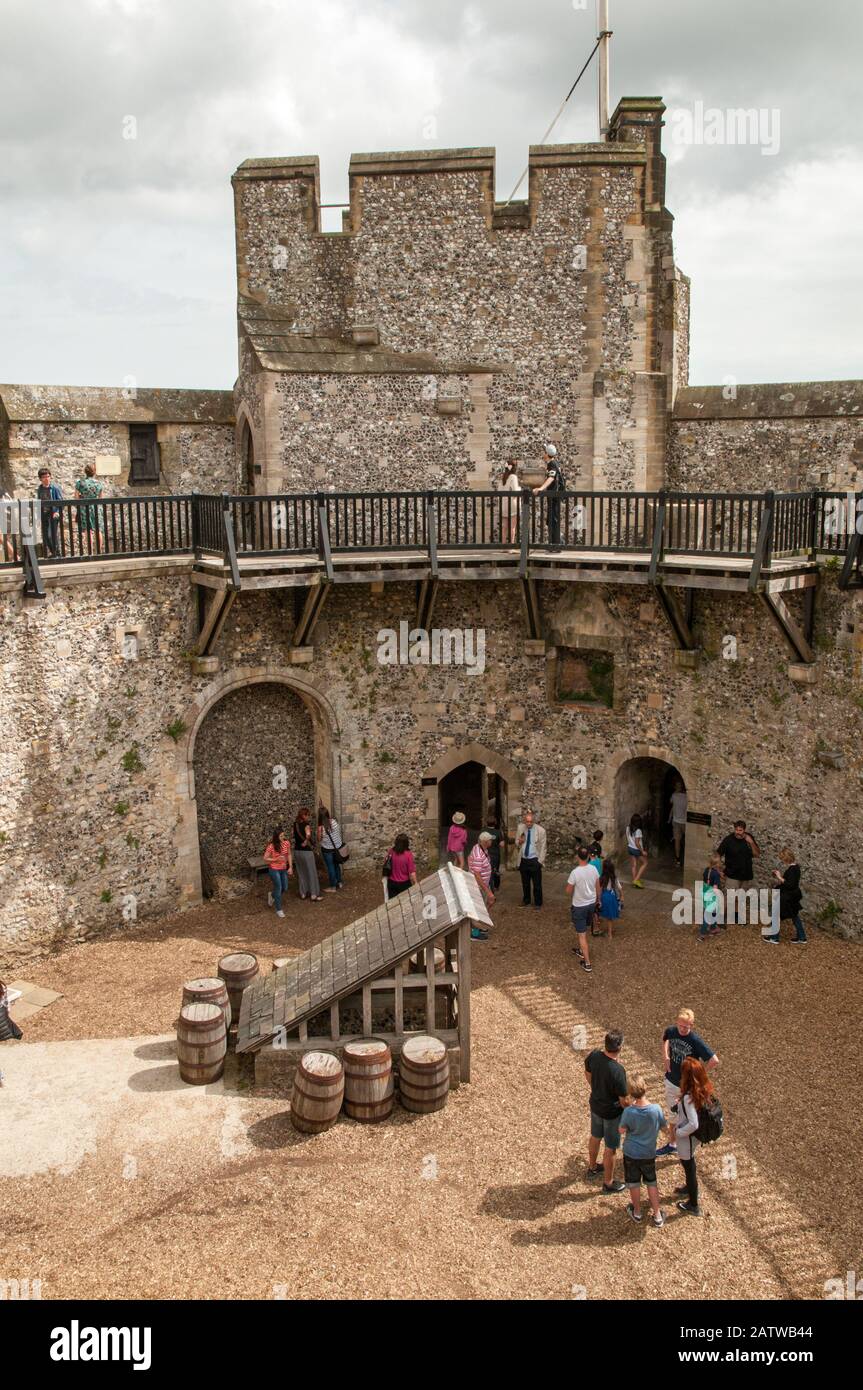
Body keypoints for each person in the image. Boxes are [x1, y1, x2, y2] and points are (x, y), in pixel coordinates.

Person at [657, 1008, 719, 1156]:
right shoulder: (672, 1031)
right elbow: (665, 1039)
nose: (683, 1029)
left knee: (690, 1118)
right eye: (680, 1025)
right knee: (673, 1115)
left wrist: (698, 1075)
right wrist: (665, 1056)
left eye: (686, 1026)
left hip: (687, 1087)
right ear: (677, 1022)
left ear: (692, 1024)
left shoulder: (695, 1041)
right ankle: (673, 1144)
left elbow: (714, 1060)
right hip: (672, 1081)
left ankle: (688, 1145)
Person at [619, 1076, 667, 1228]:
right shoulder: (656, 1109)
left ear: (631, 1092)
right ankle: (658, 1214)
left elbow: (621, 1130)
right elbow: (665, 1128)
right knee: (651, 1182)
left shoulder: (629, 1112)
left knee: (634, 1183)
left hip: (631, 1152)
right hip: (648, 1152)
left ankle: (637, 1212)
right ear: (646, 1088)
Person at [584, 1030, 628, 1193]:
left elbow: (587, 1073)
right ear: (620, 1047)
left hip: (596, 1105)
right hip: (612, 1113)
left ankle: (593, 1167)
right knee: (611, 1147)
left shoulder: (594, 1056)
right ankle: (608, 1183)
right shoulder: (618, 1070)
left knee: (595, 1136)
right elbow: (623, 1100)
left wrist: (596, 1088)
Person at [673, 1057, 715, 1216]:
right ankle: (689, 1187)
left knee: (689, 1166)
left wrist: (678, 1132)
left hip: (687, 1138)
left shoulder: (688, 1098)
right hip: (694, 1138)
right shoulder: (702, 1089)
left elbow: (693, 1124)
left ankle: (693, 1203)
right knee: (689, 1164)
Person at [717, 820, 760, 923]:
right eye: (736, 830)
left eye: (740, 830)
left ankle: (736, 916)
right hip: (732, 875)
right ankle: (720, 918)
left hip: (746, 875)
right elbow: (718, 854)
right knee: (728, 897)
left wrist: (751, 842)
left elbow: (757, 854)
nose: (738, 832)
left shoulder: (749, 838)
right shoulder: (728, 840)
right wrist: (718, 870)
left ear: (744, 830)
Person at [566, 845, 600, 973]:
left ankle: (587, 963)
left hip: (579, 906)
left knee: (582, 935)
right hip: (591, 904)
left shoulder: (575, 873)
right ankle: (581, 950)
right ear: (588, 856)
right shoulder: (594, 869)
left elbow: (568, 891)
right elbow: (598, 887)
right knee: (584, 929)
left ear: (577, 857)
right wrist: (598, 900)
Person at [532, 443, 565, 549]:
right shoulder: (553, 464)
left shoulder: (552, 464)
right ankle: (554, 543)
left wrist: (541, 488)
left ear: (547, 454)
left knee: (553, 519)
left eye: (544, 452)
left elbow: (551, 478)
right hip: (554, 496)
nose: (543, 453)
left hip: (554, 496)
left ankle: (556, 545)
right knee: (551, 519)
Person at [772, 848, 807, 943]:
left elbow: (790, 885)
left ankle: (774, 938)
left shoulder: (792, 869)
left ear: (786, 858)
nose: (782, 860)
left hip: (787, 896)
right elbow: (792, 883)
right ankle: (801, 937)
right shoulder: (796, 867)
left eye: (782, 858)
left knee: (776, 914)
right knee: (794, 915)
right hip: (793, 895)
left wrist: (779, 877)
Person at [516, 808, 546, 909]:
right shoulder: (520, 828)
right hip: (523, 859)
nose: (528, 823)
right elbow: (517, 842)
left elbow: (543, 847)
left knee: (537, 884)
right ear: (524, 821)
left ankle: (538, 903)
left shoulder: (541, 831)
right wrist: (519, 841)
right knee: (525, 883)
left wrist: (540, 862)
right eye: (527, 821)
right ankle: (526, 900)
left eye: (530, 822)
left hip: (534, 860)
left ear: (534, 821)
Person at [292, 807, 321, 901]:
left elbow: (294, 835)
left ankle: (303, 893)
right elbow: (308, 834)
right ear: (303, 815)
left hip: (297, 851)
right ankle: (313, 894)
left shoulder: (295, 824)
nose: (308, 817)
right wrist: (306, 841)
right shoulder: (306, 824)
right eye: (307, 815)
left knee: (301, 873)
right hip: (306, 852)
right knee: (311, 872)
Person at [74, 462, 104, 553]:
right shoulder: (99, 483)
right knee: (98, 529)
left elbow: (76, 497)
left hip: (84, 507)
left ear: (85, 472)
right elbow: (101, 498)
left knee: (88, 530)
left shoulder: (80, 483)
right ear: (94, 472)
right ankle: (99, 551)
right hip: (96, 507)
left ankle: (90, 552)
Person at [263, 825, 292, 918]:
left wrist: (290, 867)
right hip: (274, 869)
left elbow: (289, 854)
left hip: (283, 869)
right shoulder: (271, 846)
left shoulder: (287, 843)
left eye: (283, 835)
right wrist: (276, 859)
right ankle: (279, 909)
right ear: (276, 837)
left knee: (285, 888)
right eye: (281, 836)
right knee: (279, 888)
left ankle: (272, 895)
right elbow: (265, 859)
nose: (283, 838)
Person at [317, 806, 345, 892]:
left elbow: (319, 840)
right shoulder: (334, 822)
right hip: (337, 848)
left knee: (330, 867)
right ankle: (339, 882)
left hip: (327, 850)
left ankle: (333, 886)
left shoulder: (320, 828)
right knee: (336, 865)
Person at [36, 467, 63, 557]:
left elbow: (61, 501)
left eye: (48, 476)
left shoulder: (55, 488)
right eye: (44, 477)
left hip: (53, 514)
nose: (47, 478)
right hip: (44, 515)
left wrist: (58, 512)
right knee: (46, 537)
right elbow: (39, 502)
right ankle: (54, 553)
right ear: (40, 479)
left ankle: (57, 553)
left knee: (51, 535)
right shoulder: (40, 489)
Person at [468, 832, 496, 914]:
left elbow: (469, 857)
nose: (492, 841)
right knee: (480, 909)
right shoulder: (478, 856)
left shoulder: (478, 847)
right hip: (479, 887)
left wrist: (470, 867)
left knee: (488, 903)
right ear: (485, 842)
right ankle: (478, 925)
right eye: (490, 840)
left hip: (484, 884)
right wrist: (488, 891)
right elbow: (477, 875)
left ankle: (482, 922)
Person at [697, 853, 723, 941]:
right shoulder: (716, 875)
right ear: (717, 864)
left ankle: (713, 928)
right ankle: (703, 933)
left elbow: (705, 882)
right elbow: (715, 887)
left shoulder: (707, 870)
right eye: (720, 862)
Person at [595, 859, 623, 939]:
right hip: (612, 897)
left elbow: (599, 891)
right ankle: (610, 934)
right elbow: (620, 887)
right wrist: (622, 896)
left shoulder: (601, 878)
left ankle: (598, 928)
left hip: (605, 897)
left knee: (599, 913)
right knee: (610, 917)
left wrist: (598, 900)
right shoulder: (614, 877)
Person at [501, 460, 522, 546]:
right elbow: (516, 490)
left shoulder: (503, 477)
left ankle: (503, 546)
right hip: (512, 504)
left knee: (504, 526)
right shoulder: (513, 477)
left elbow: (500, 490)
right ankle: (511, 546)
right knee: (512, 527)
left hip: (504, 503)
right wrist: (521, 488)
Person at [626, 813, 648, 888]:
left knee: (634, 865)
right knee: (645, 863)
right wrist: (642, 851)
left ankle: (635, 880)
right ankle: (636, 879)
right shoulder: (638, 830)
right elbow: (637, 843)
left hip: (630, 848)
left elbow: (628, 838)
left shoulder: (628, 828)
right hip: (636, 849)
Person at [669, 780, 688, 867]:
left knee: (677, 841)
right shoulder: (687, 796)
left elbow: (671, 805)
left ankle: (678, 860)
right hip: (685, 822)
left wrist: (669, 818)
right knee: (686, 840)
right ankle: (686, 859)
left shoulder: (674, 795)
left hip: (676, 821)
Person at [483, 814, 503, 892]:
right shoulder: (498, 832)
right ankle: (496, 886)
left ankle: (488, 886)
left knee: (486, 871)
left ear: (487, 823)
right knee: (495, 870)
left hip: (485, 854)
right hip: (495, 854)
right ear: (495, 823)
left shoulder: (483, 831)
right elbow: (502, 844)